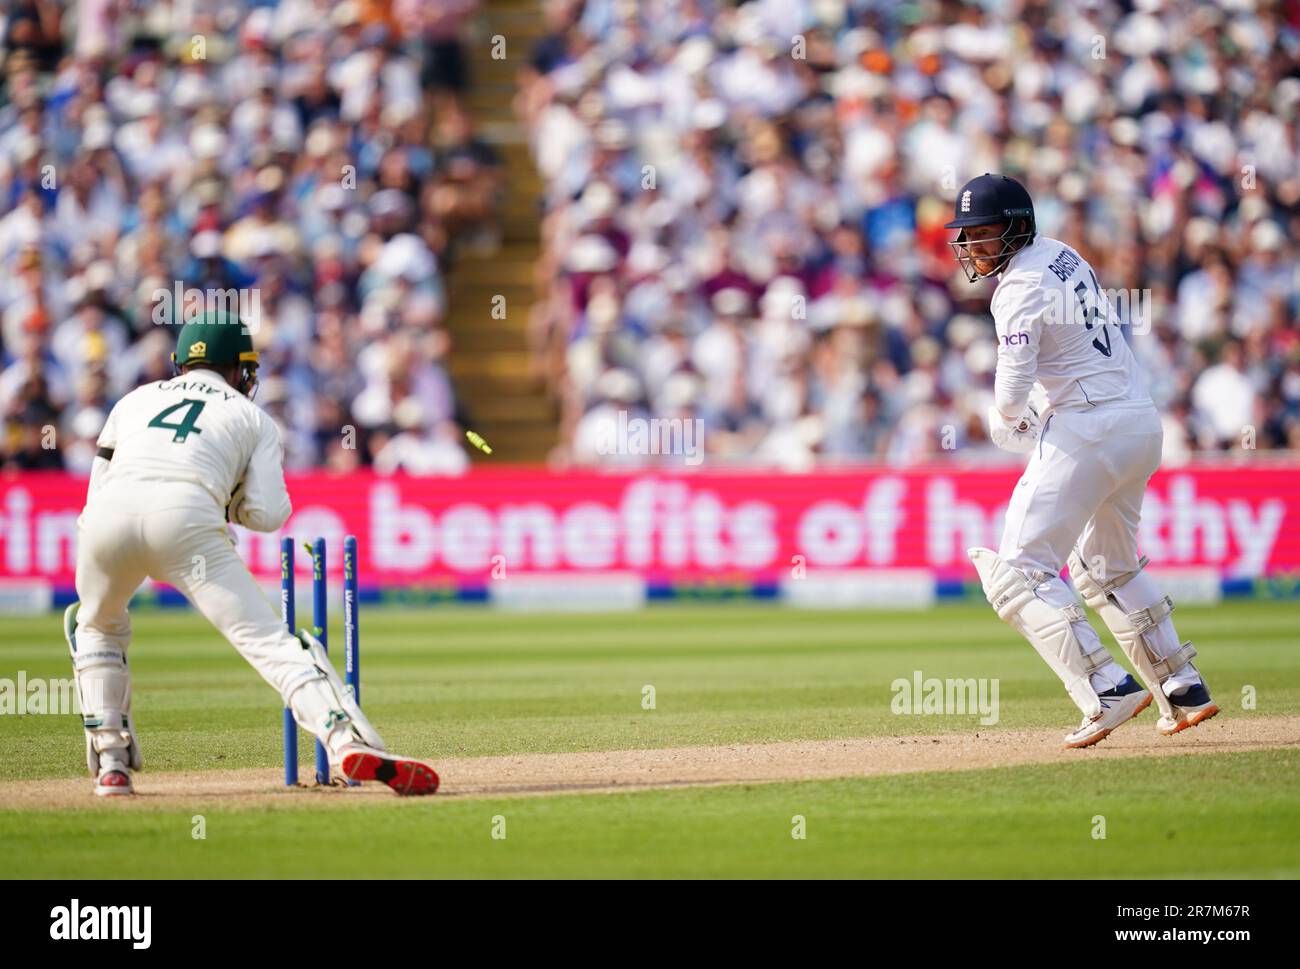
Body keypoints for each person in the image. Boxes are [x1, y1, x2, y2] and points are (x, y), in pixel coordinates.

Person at [66, 311, 440, 796]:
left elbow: (98, 490)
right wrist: (227, 501)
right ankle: (343, 739)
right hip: (187, 522)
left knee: (95, 626)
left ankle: (111, 765)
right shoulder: (251, 417)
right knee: (272, 644)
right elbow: (267, 514)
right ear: (241, 370)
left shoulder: (132, 401)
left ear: (181, 364)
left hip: (103, 523)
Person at [951, 174, 1219, 748]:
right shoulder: (1064, 255)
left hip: (1089, 428)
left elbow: (1009, 392)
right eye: (967, 235)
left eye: (985, 232)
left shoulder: (1016, 285)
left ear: (1018, 227)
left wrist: (1008, 421)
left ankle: (1106, 688)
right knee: (1109, 570)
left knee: (1019, 570)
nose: (974, 247)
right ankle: (1181, 685)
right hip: (1139, 423)